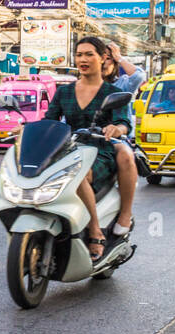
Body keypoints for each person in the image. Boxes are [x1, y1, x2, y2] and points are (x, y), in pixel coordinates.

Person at [42, 36, 131, 261]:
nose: (83, 59)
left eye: (89, 54)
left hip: (100, 150)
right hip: (70, 148)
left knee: (76, 174)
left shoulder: (111, 92)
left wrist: (115, 129)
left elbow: (124, 123)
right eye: (79, 54)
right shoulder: (64, 92)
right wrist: (26, 130)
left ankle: (95, 230)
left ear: (102, 58)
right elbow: (50, 120)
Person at [100, 43, 145, 235]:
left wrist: (119, 57)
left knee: (125, 155)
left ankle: (125, 214)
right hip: (84, 140)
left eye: (107, 59)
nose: (102, 63)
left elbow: (139, 77)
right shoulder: (75, 88)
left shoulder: (120, 85)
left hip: (115, 140)